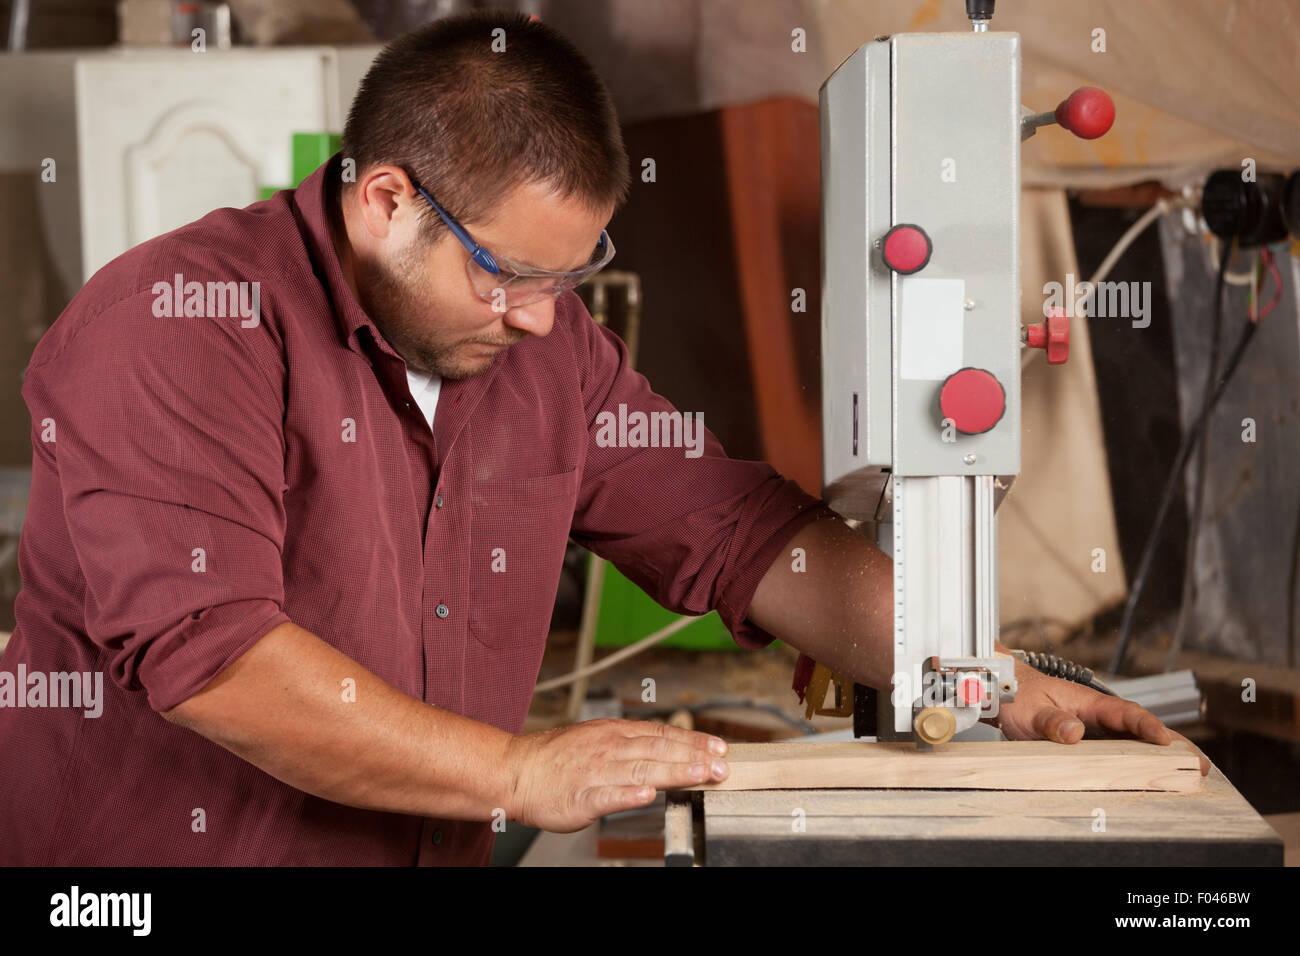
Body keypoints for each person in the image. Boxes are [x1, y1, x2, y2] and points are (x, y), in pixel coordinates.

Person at [0, 11, 1206, 866]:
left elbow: (738, 535)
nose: (540, 314)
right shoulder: (180, 322)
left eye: (574, 274)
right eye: (510, 275)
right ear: (384, 202)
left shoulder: (546, 348)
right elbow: (216, 660)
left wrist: (989, 673)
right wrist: (523, 772)